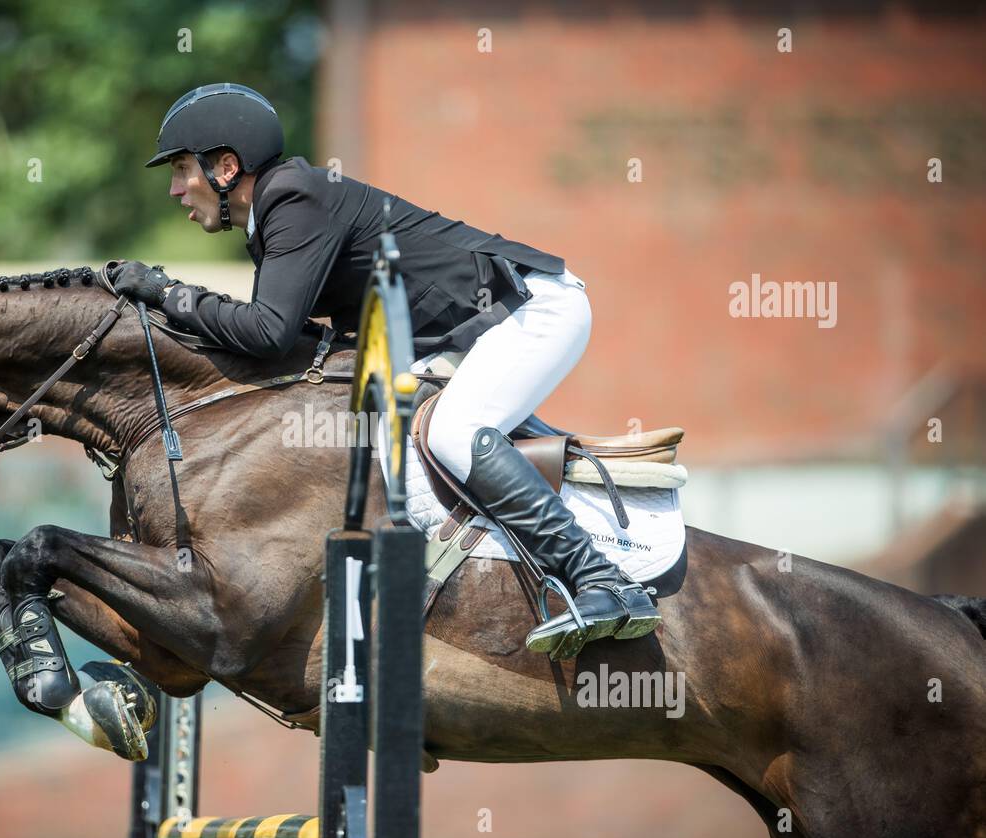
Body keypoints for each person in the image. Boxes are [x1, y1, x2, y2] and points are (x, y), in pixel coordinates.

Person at [113, 83, 659, 658]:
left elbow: (269, 334)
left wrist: (170, 294)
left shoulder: (292, 198)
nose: (175, 189)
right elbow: (284, 338)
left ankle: (603, 580)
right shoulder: (275, 211)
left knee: (453, 432)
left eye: (181, 169)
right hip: (468, 330)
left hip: (533, 309)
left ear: (225, 167)